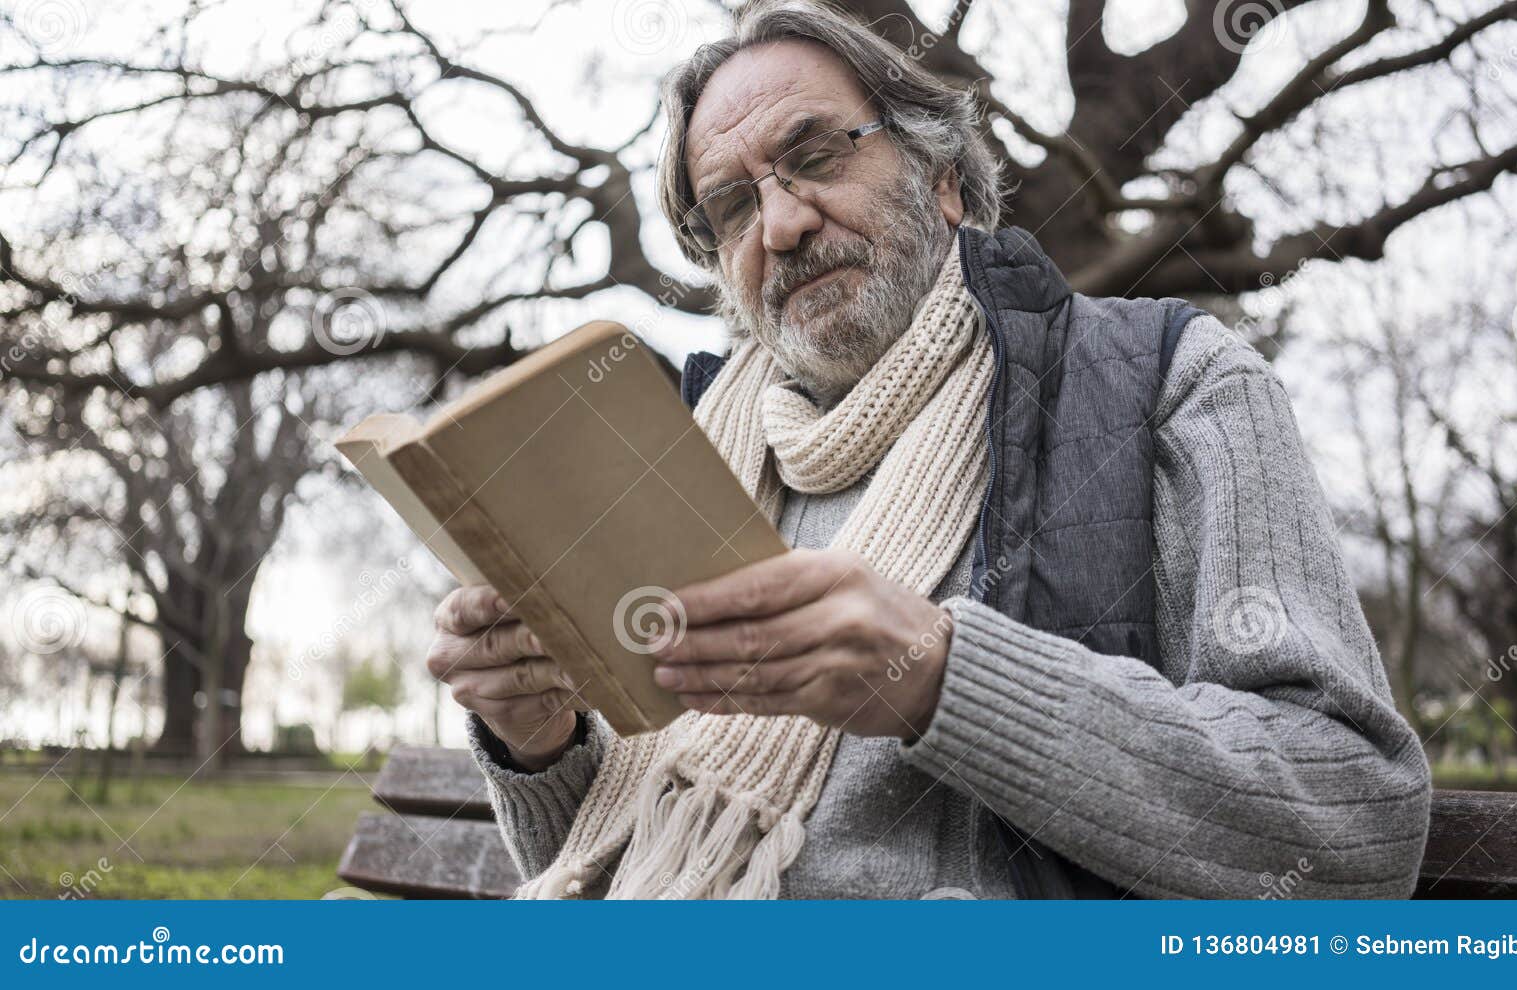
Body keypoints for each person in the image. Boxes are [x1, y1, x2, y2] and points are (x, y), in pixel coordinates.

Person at [425, 0, 1429, 899]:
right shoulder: (684, 467)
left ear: (942, 179)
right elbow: (615, 873)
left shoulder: (1170, 383)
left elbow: (1352, 827)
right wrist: (539, 742)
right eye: (732, 204)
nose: (778, 224)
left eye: (815, 156)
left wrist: (940, 678)